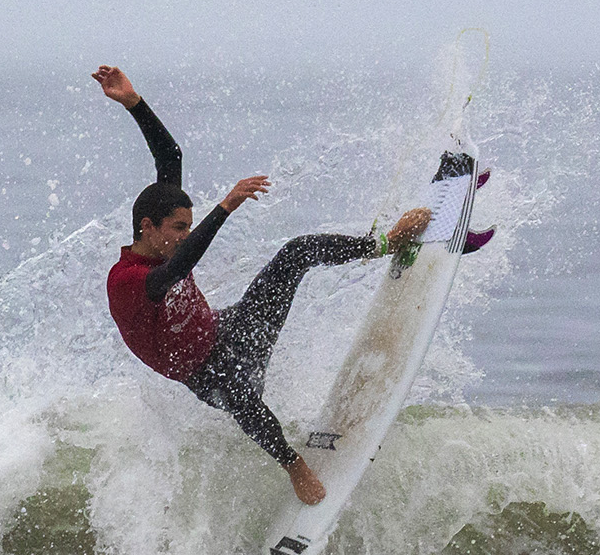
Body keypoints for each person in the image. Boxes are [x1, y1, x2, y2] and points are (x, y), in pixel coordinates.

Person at [94, 63, 447, 507]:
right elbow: (176, 271)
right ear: (147, 227)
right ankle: (294, 466)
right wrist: (224, 207)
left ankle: (382, 243)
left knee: (296, 252)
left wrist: (135, 104)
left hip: (228, 328)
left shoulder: (162, 238)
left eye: (188, 226)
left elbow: (172, 157)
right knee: (241, 394)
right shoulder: (125, 280)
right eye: (177, 228)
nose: (183, 235)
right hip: (203, 372)